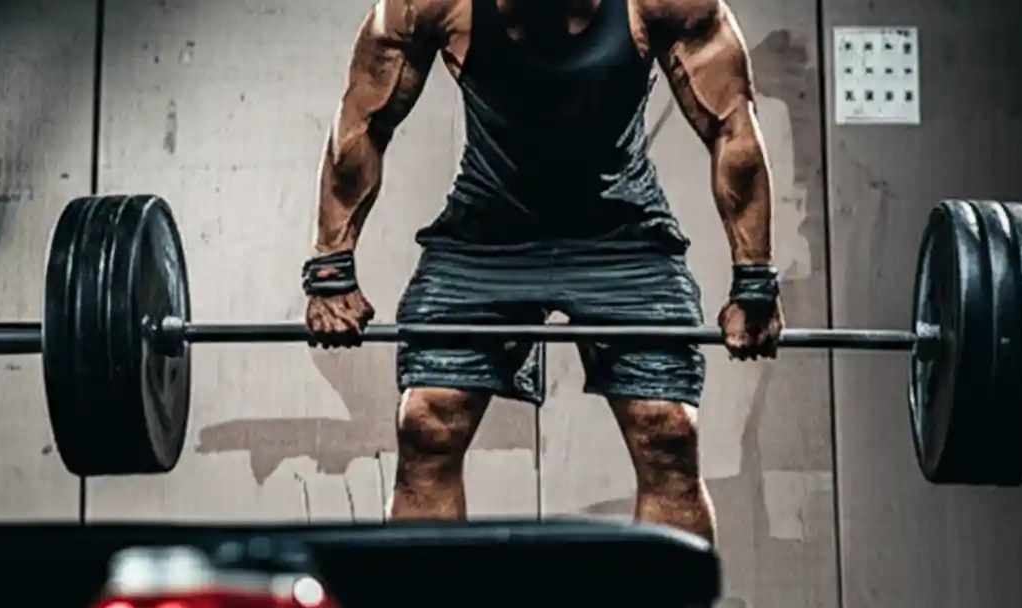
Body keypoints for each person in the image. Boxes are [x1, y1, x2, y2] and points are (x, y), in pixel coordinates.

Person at [305, 0, 780, 545]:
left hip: (620, 233)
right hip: (486, 234)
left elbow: (732, 128)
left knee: (667, 431)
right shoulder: (428, 6)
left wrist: (754, 279)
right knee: (427, 423)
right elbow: (364, 122)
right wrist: (330, 269)